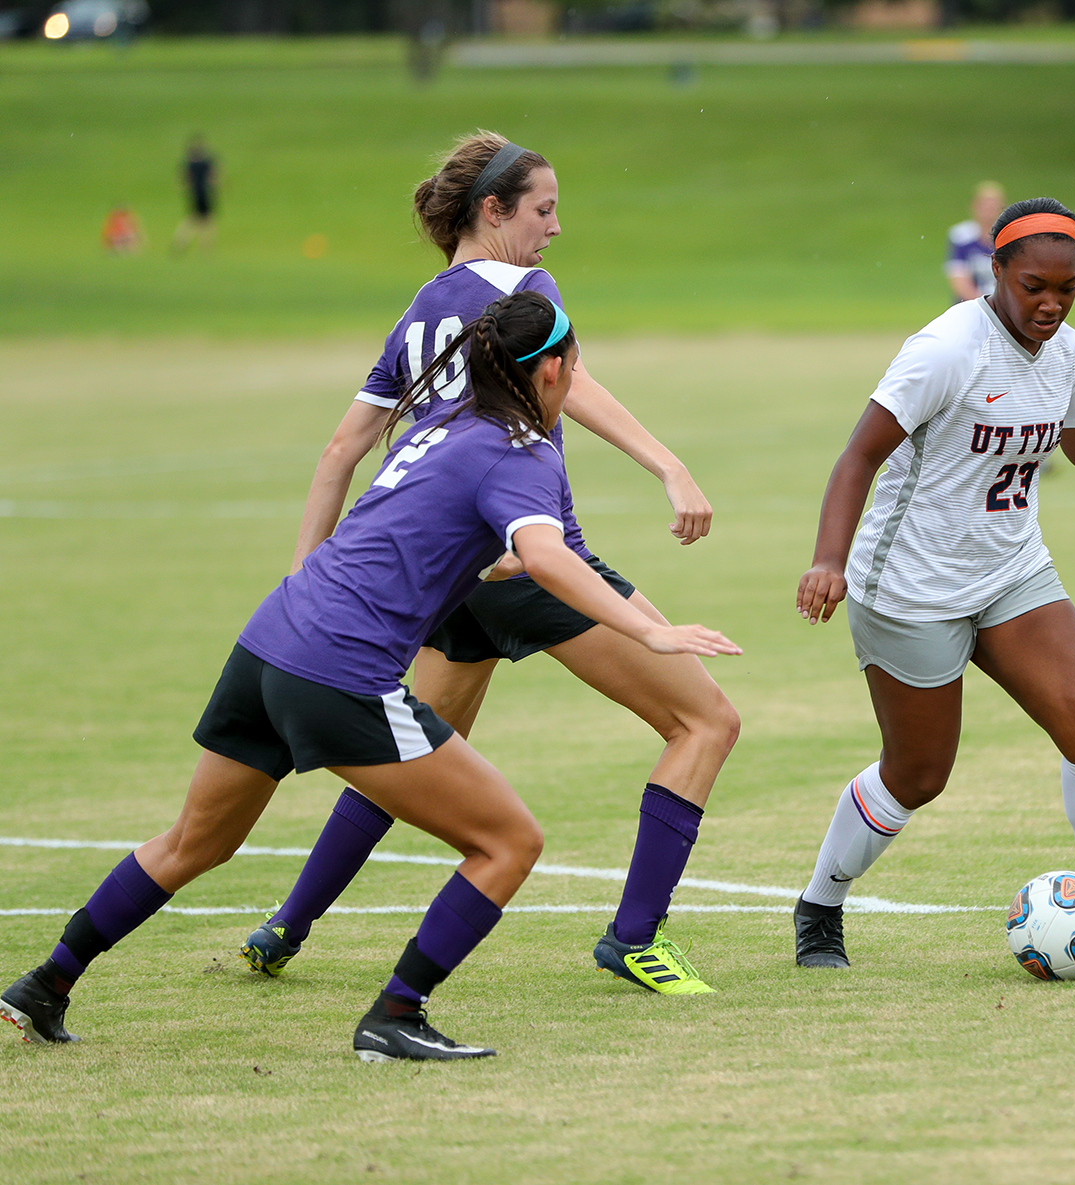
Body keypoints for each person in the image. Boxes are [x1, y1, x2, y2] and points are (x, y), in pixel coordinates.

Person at [0, 292, 740, 1059]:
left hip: (268, 641)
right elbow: (547, 556)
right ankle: (395, 1014)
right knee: (509, 842)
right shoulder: (523, 450)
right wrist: (649, 630)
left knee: (194, 840)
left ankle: (45, 983)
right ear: (551, 370)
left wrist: (499, 562)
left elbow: (442, 535)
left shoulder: (437, 425)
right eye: (575, 366)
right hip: (339, 670)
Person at [238, 133, 739, 997]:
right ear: (493, 210)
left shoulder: (421, 308)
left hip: (448, 577)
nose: (555, 227)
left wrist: (303, 581)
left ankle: (288, 923)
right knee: (705, 722)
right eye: (543, 209)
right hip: (527, 559)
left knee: (410, 750)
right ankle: (635, 936)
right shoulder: (524, 290)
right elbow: (573, 383)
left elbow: (339, 450)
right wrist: (668, 464)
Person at [790, 197, 1075, 970]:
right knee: (917, 774)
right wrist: (828, 558)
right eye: (1033, 287)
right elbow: (858, 456)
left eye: (1067, 288)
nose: (1051, 304)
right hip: (911, 587)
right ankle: (819, 908)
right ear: (995, 272)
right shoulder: (945, 349)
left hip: (1011, 571)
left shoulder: (1066, 352)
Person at [945, 181, 1005, 303]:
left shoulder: (1011, 237)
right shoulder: (961, 237)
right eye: (985, 205)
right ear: (975, 206)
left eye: (994, 205)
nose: (989, 210)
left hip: (1004, 305)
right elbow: (958, 276)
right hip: (971, 304)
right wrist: (983, 304)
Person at [171, 135, 217, 255]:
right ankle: (205, 247)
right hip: (205, 194)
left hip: (194, 194)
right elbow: (213, 178)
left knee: (193, 219)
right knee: (208, 221)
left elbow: (184, 180)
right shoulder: (207, 163)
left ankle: (180, 241)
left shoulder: (189, 164)